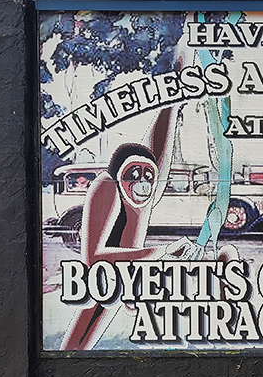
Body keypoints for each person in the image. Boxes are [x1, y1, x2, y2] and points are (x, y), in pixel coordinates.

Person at [61, 105, 176, 350]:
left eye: (147, 175)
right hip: (106, 274)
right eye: (133, 174)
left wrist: (174, 99)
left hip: (126, 271)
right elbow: (94, 259)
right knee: (87, 324)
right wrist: (158, 252)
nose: (142, 182)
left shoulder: (144, 193)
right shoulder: (108, 187)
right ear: (120, 175)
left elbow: (158, 147)